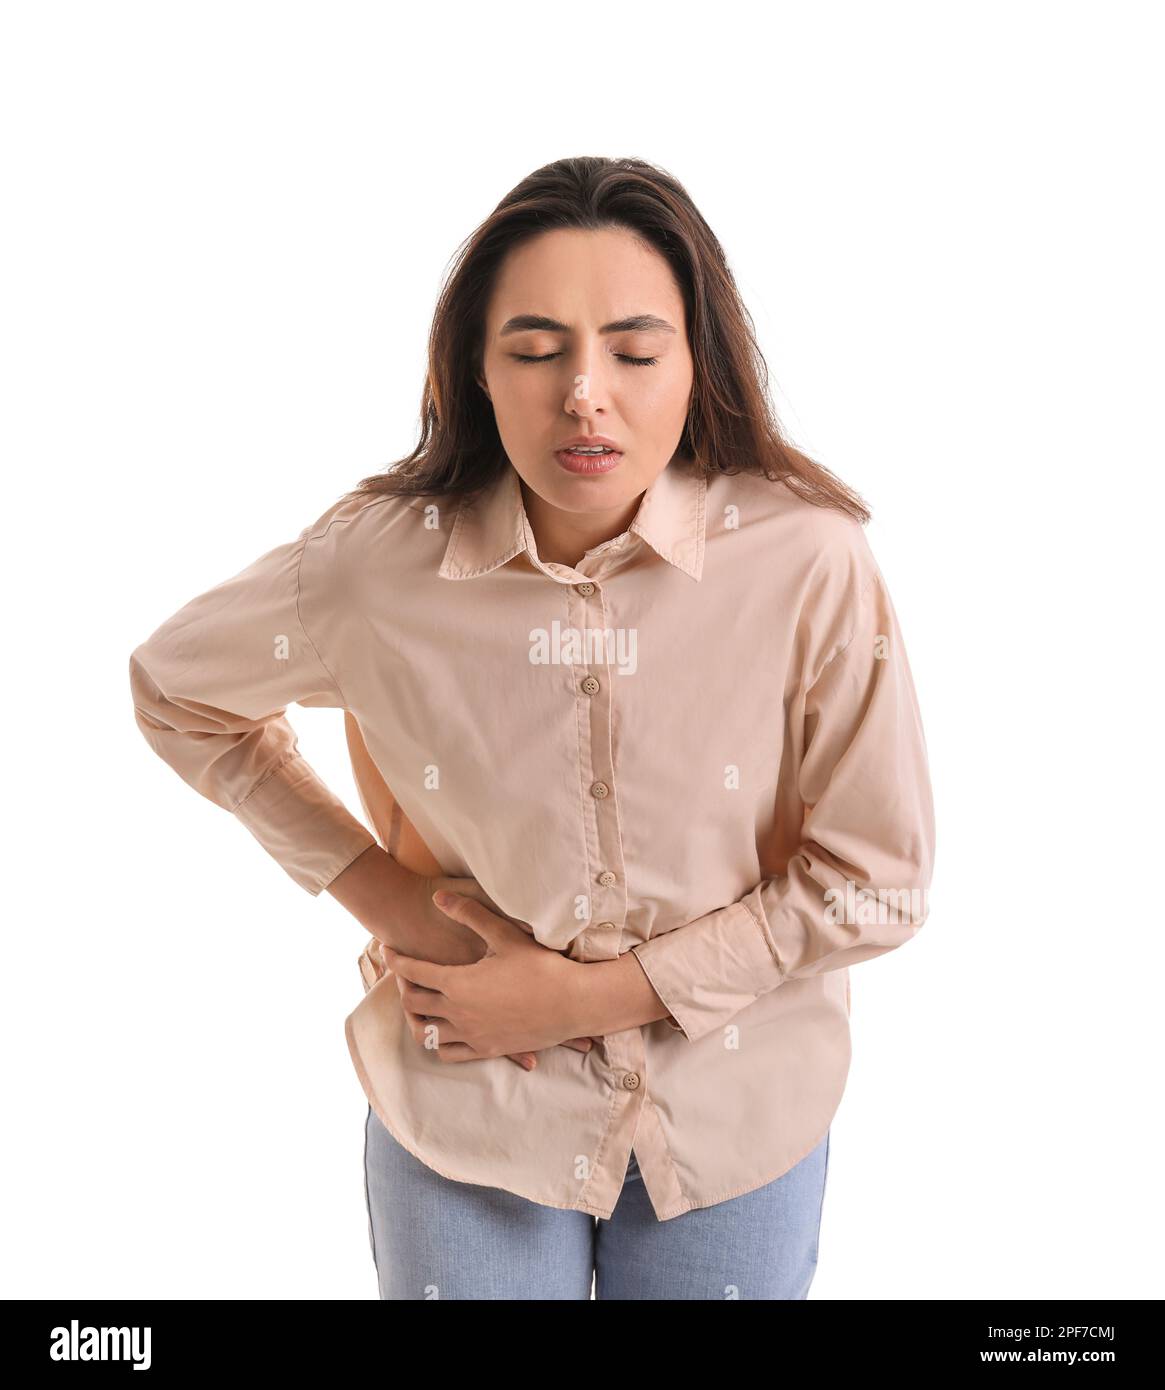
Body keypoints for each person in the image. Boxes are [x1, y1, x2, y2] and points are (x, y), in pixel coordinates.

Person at [128, 155, 935, 1300]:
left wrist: (590, 996)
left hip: (736, 1116)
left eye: (636, 351)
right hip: (467, 1111)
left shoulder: (809, 563)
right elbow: (176, 688)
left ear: (696, 362)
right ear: (476, 369)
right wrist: (381, 893)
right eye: (536, 349)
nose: (584, 393)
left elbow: (880, 876)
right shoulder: (376, 567)